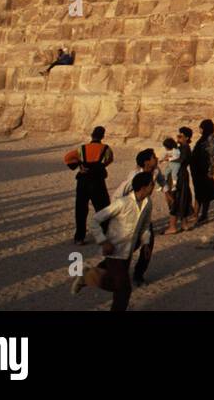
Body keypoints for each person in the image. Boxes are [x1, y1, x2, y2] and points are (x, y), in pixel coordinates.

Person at [72, 171, 155, 311]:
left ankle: (89, 275)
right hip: (114, 250)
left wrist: (146, 243)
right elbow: (95, 220)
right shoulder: (122, 203)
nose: (154, 186)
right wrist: (103, 241)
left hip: (128, 252)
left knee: (119, 288)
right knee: (124, 289)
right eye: (152, 184)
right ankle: (88, 276)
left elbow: (145, 226)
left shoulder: (148, 203)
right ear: (143, 187)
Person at [115, 148, 165, 286]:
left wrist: (168, 193)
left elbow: (162, 181)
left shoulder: (155, 171)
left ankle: (138, 275)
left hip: (144, 214)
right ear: (146, 162)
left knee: (148, 244)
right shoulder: (134, 176)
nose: (156, 158)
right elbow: (118, 195)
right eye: (153, 156)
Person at [72, 126, 114, 243]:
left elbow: (68, 158)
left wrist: (80, 165)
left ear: (92, 135)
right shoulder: (106, 149)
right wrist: (100, 166)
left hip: (83, 181)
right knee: (103, 208)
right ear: (102, 136)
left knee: (81, 209)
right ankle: (103, 234)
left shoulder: (82, 148)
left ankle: (79, 237)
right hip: (97, 180)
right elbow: (109, 159)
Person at [191, 119, 214, 225]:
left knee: (205, 193)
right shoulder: (204, 138)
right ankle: (195, 214)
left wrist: (211, 171)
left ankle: (204, 215)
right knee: (199, 192)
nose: (200, 129)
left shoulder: (211, 139)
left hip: (204, 170)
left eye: (201, 127)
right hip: (198, 170)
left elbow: (213, 157)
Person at [166, 126, 193, 234]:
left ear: (186, 137)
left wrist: (170, 158)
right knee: (183, 197)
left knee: (176, 198)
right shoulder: (182, 147)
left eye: (180, 136)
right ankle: (184, 223)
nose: (178, 138)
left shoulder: (185, 148)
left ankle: (172, 226)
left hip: (179, 175)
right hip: (182, 175)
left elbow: (181, 161)